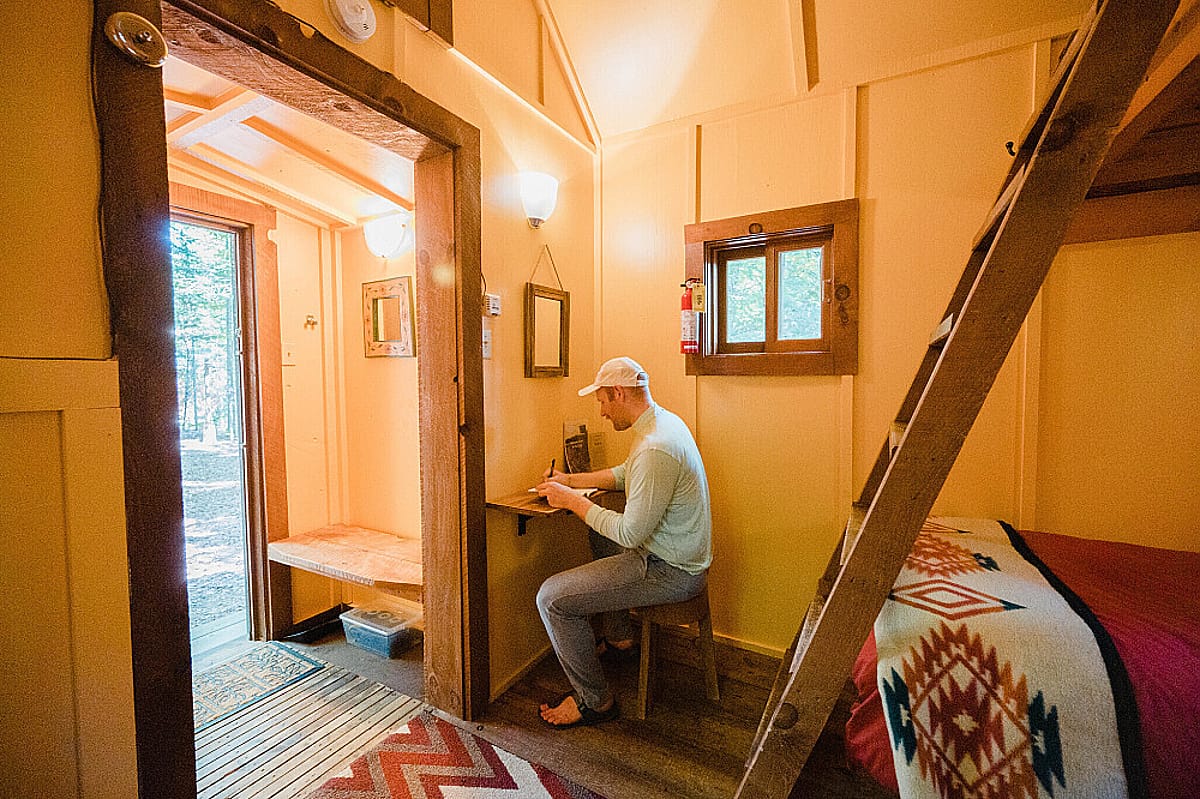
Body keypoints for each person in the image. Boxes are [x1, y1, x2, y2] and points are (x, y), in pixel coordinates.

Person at [535, 356, 712, 728]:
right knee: (596, 536)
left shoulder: (654, 447)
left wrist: (571, 502)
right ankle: (620, 640)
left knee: (551, 599)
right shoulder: (662, 425)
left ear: (618, 393)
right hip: (675, 556)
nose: (600, 411)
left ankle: (595, 702)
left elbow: (630, 533)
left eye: (601, 400)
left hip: (670, 570)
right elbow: (623, 474)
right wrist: (571, 481)